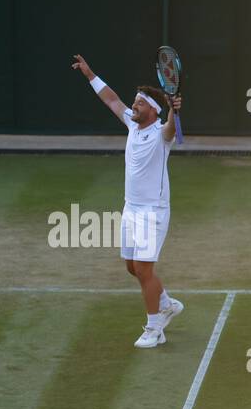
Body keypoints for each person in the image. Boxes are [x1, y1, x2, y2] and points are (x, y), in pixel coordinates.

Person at [72, 54, 184, 348]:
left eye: (140, 103)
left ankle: (154, 328)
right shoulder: (133, 125)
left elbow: (172, 128)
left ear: (154, 110)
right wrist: (89, 73)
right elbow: (111, 99)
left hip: (153, 211)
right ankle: (166, 304)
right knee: (132, 268)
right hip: (131, 207)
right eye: (135, 101)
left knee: (144, 269)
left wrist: (174, 112)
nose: (133, 105)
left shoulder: (161, 134)